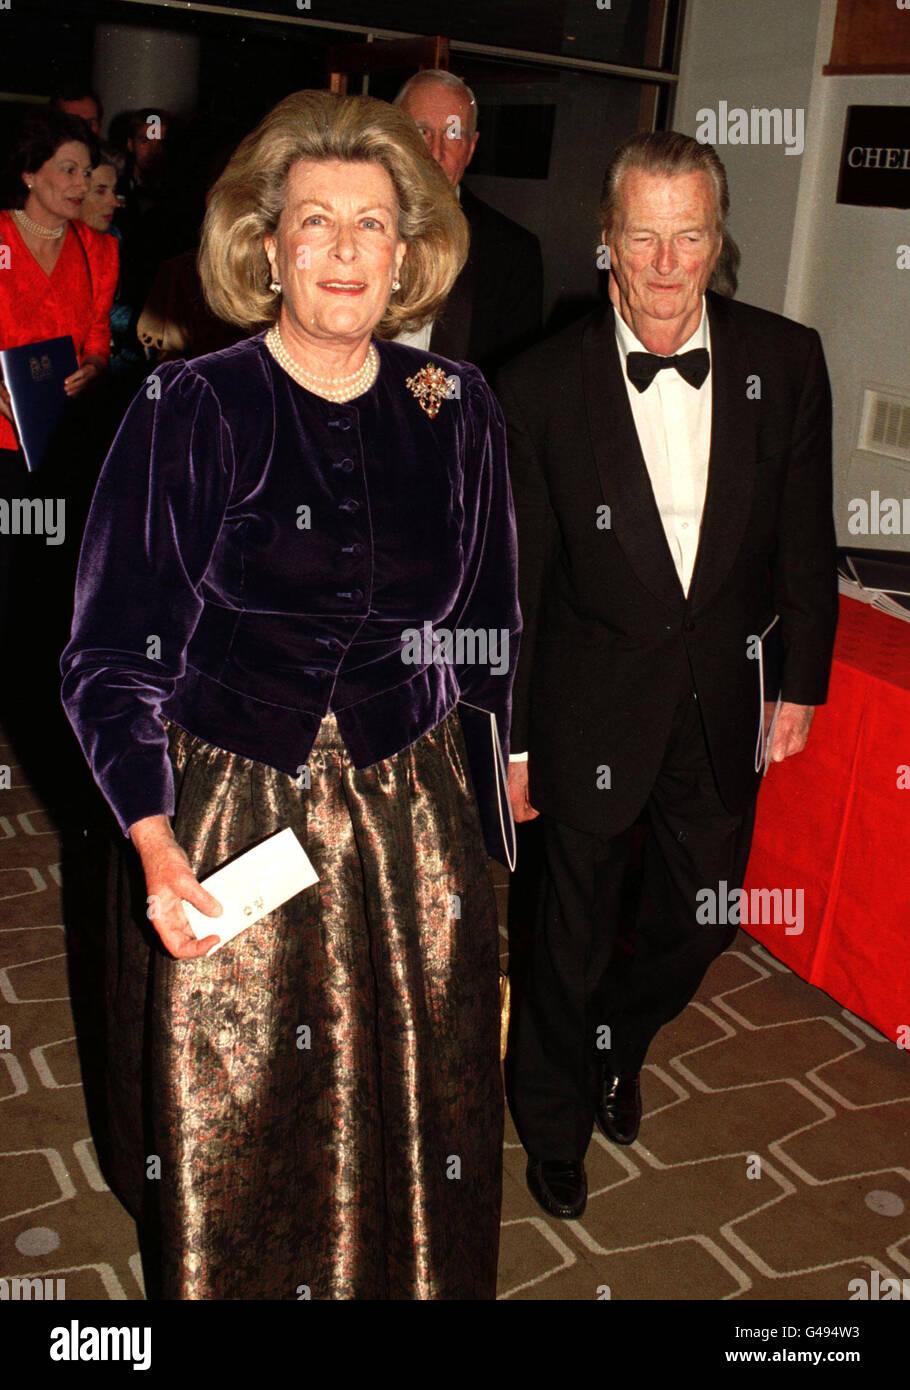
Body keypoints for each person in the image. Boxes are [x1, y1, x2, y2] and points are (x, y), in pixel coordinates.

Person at [60, 88, 520, 1301]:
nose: (345, 251)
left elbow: (488, 622)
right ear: (264, 248)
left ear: (410, 251)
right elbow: (110, 653)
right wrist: (154, 845)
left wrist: (500, 784)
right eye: (314, 222)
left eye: (372, 224)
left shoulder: (456, 408)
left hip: (414, 814)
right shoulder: (191, 408)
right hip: (233, 811)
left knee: (423, 1100)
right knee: (246, 1112)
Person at [500, 130, 836, 1220]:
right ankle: (551, 1118)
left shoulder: (783, 362)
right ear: (605, 241)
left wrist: (801, 685)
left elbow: (802, 537)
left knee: (702, 915)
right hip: (586, 698)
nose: (661, 263)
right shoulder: (539, 385)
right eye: (640, 236)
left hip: (723, 696)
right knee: (568, 928)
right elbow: (516, 582)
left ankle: (616, 1038)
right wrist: (509, 737)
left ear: (716, 240)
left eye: (685, 236)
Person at [0, 107, 117, 652]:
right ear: (30, 172)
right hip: (0, 442)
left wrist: (93, 367)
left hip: (59, 441)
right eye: (68, 170)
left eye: (87, 172)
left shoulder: (99, 250)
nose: (82, 185)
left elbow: (98, 337)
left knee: (43, 571)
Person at [394, 68, 543, 375]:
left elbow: (510, 386)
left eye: (452, 134)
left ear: (471, 148)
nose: (435, 152)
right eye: (422, 132)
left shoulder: (513, 253)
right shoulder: (351, 224)